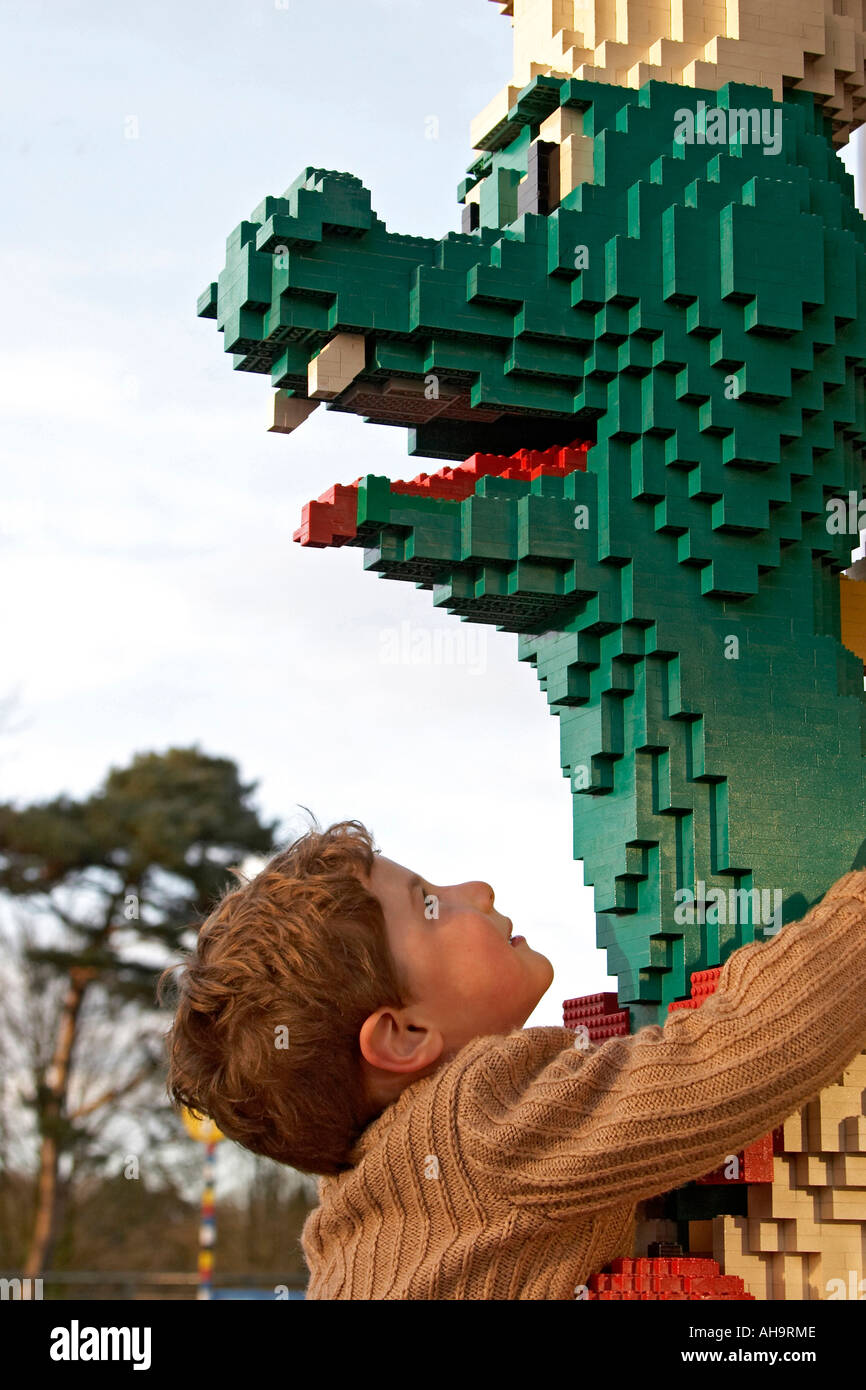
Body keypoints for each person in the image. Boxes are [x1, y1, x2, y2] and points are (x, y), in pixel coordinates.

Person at [160, 818, 866, 1300]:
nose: (478, 892)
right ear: (403, 1035)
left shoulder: (358, 1217)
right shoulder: (478, 1126)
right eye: (431, 906)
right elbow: (738, 1052)